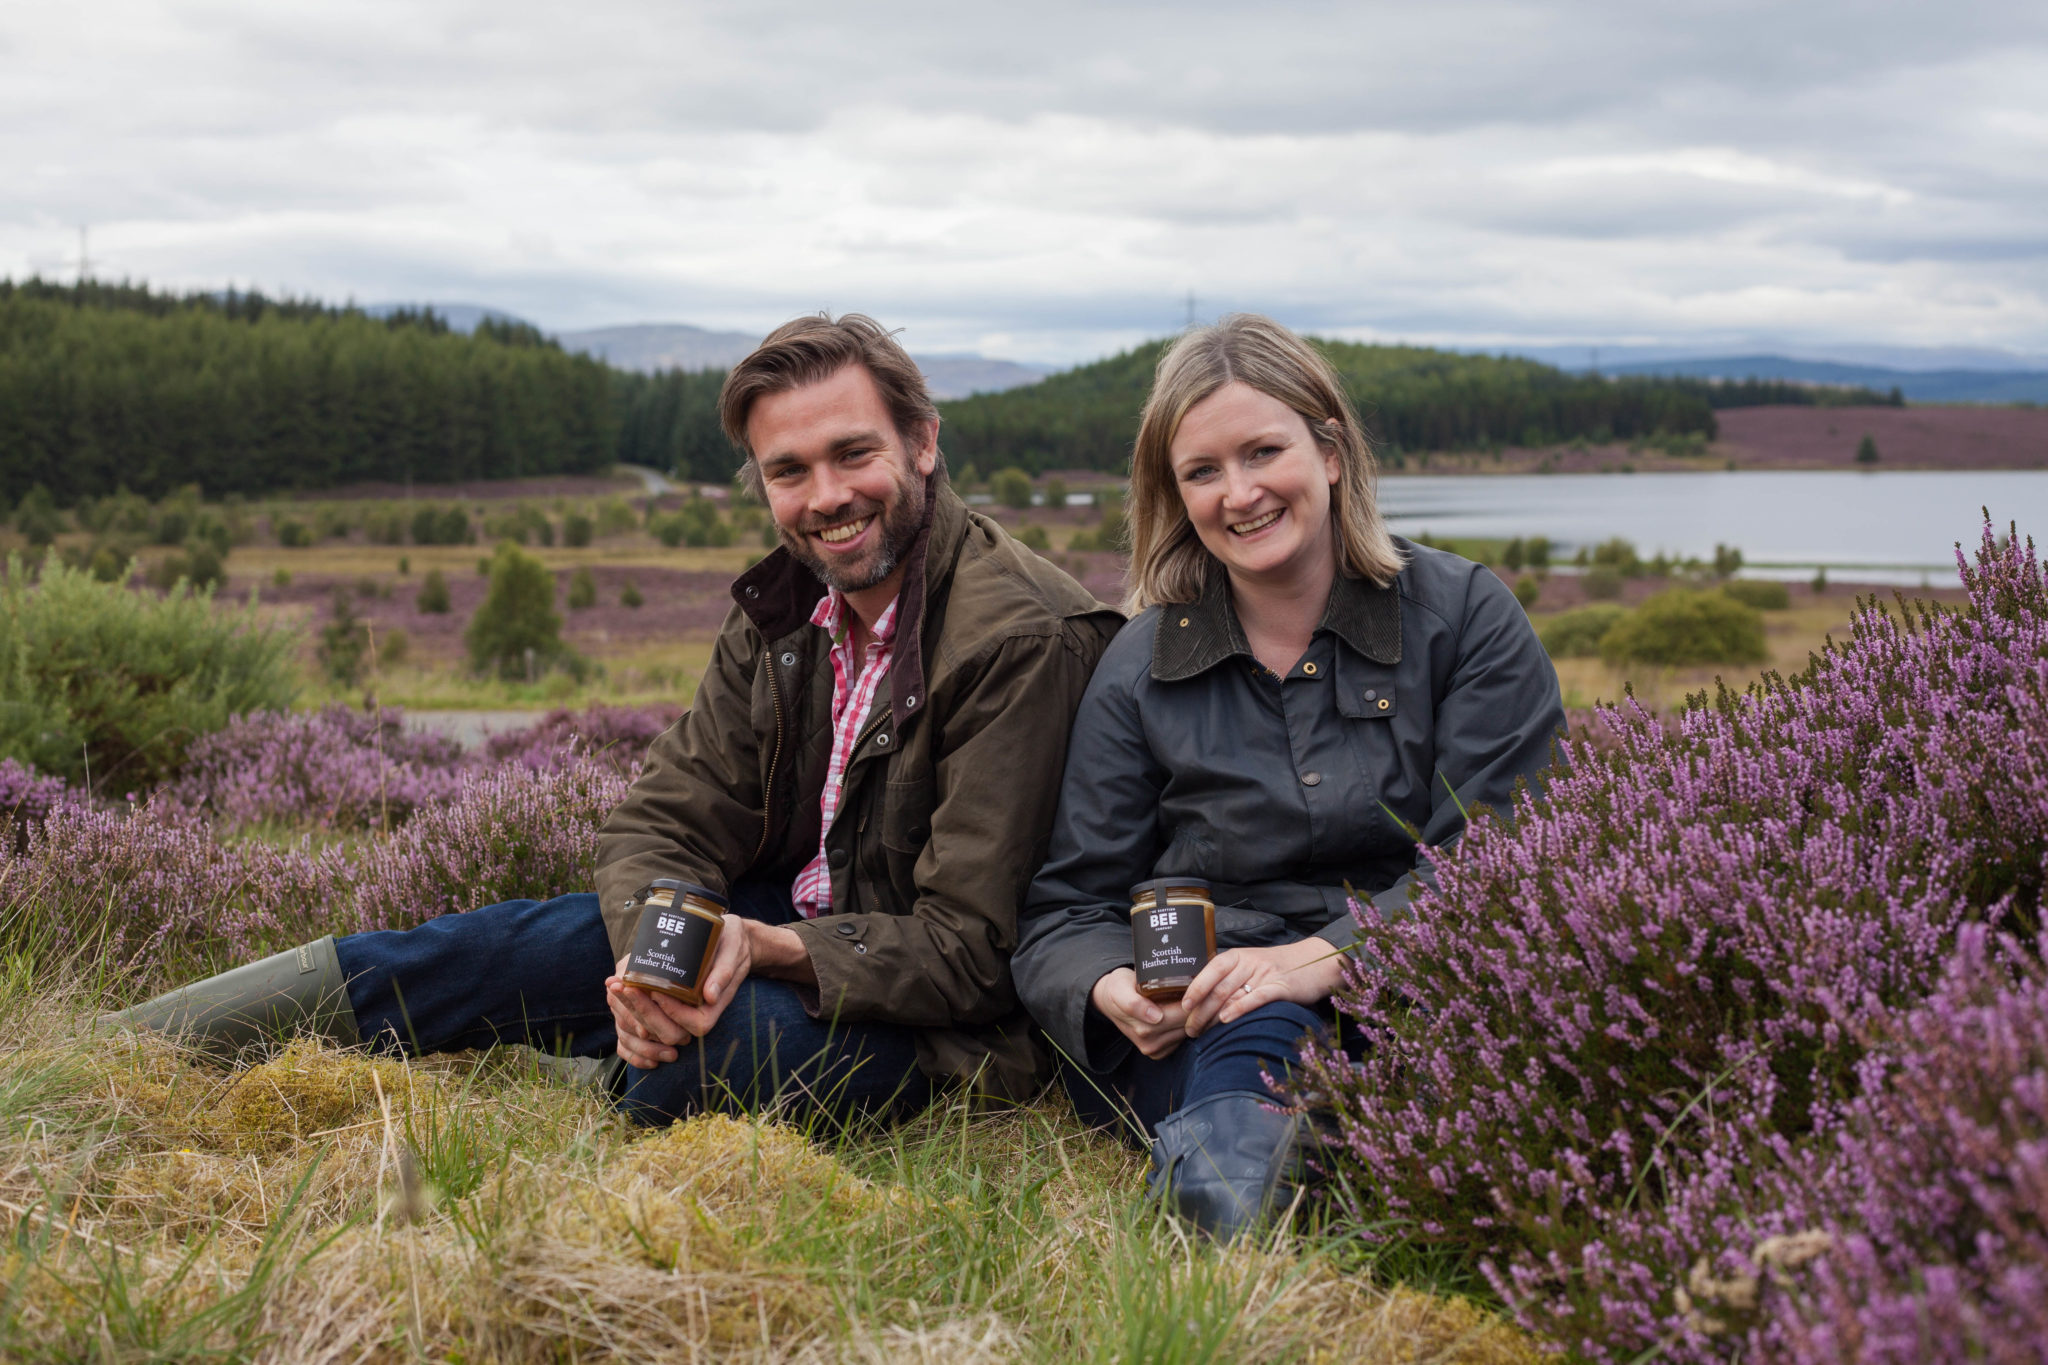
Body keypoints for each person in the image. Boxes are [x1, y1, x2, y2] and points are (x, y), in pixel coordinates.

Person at [106, 314, 1122, 1126]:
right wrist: (657, 958)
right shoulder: (785, 610)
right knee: (497, 947)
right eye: (787, 471)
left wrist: (759, 953)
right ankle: (119, 1049)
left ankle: (589, 1077)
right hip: (785, 928)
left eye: (852, 454)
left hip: (936, 1025)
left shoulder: (1014, 635)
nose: (825, 497)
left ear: (923, 444)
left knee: (699, 1063)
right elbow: (661, 825)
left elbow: (971, 951)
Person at [1012, 314, 1565, 1238]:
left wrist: (1321, 959)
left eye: (1264, 450)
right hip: (1218, 1010)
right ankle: (1244, 1256)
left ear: (1333, 450)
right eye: (1202, 471)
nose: (1240, 492)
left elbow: (1501, 859)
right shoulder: (1141, 661)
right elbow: (1070, 905)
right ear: (1173, 493)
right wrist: (1110, 984)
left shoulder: (1464, 616)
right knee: (1248, 1091)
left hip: (1432, 985)